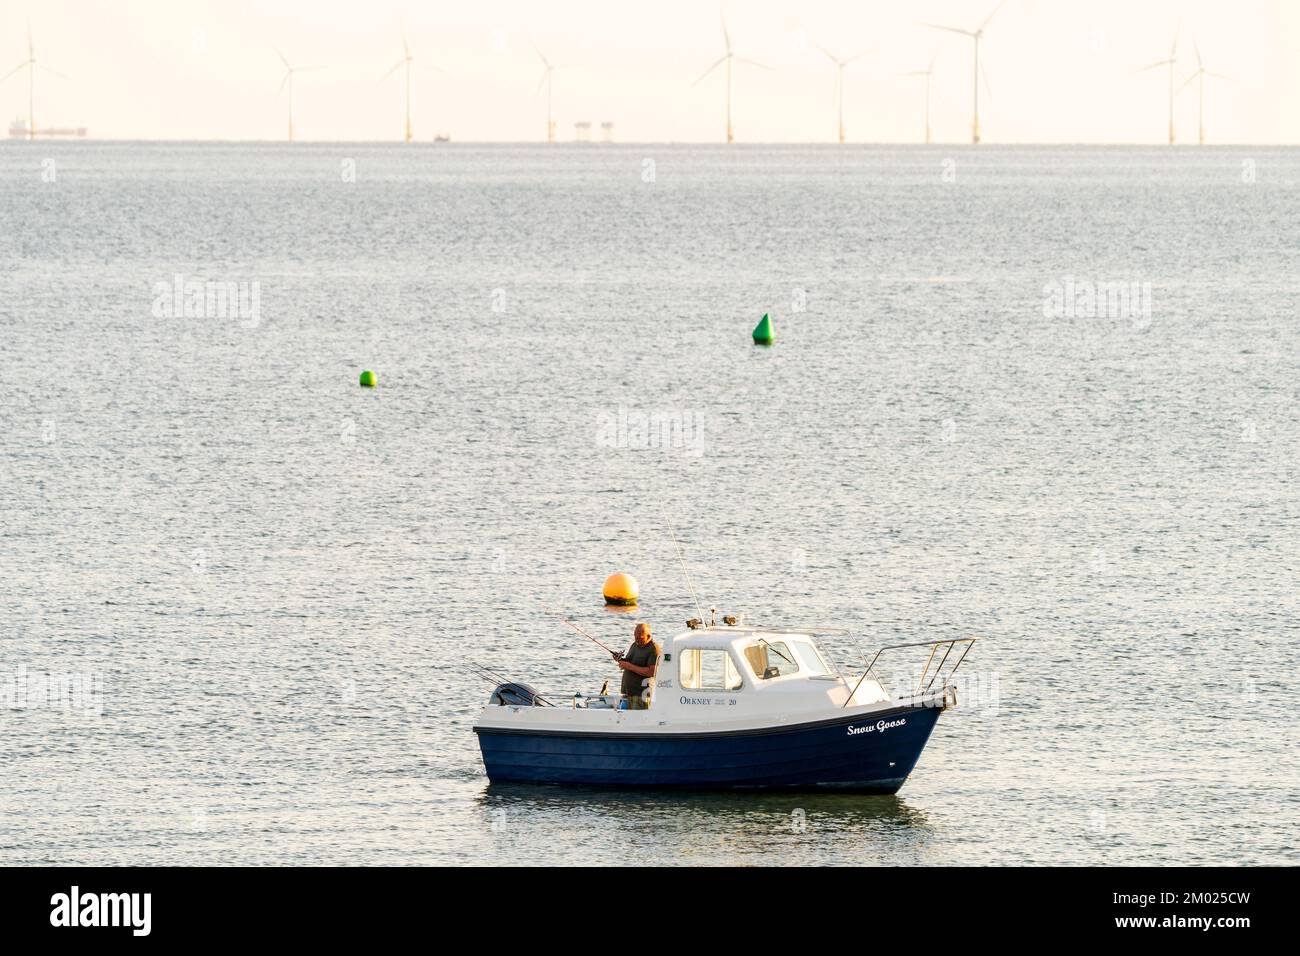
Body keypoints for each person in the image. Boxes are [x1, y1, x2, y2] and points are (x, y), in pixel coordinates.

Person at [614, 622, 659, 709]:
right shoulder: (635, 645)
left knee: (636, 721)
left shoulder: (654, 649)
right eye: (635, 636)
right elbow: (628, 663)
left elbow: (652, 672)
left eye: (639, 638)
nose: (636, 639)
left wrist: (629, 666)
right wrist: (620, 660)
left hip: (641, 695)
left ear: (648, 636)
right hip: (628, 693)